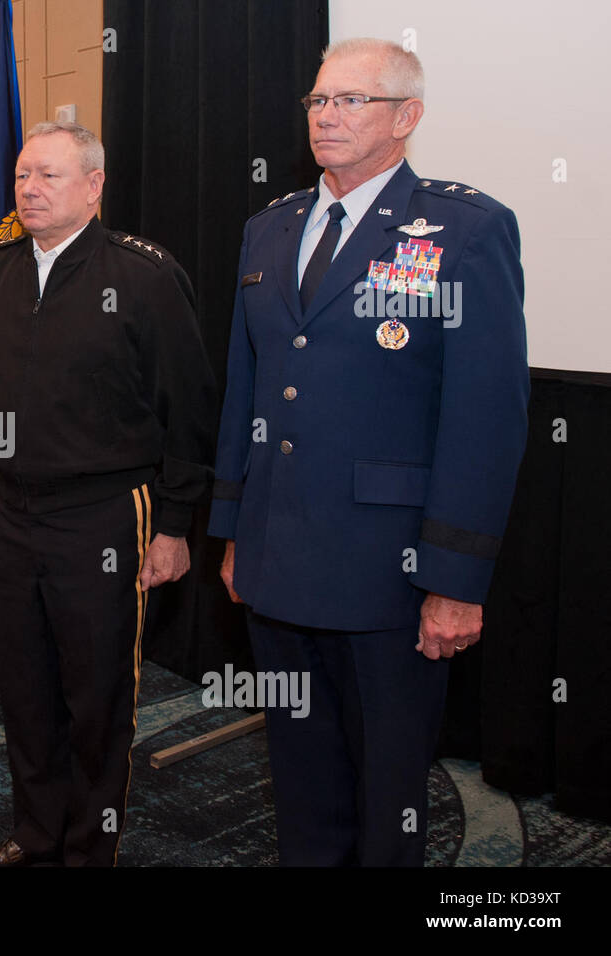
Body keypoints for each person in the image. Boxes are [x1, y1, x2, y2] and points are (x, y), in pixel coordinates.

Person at [208, 38, 529, 866]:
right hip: (280, 555)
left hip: (389, 567)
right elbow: (247, 389)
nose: (327, 116)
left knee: (391, 796)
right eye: (320, 100)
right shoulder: (269, 228)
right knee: (301, 778)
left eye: (352, 100)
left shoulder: (464, 229)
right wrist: (236, 527)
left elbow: (484, 419)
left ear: (407, 117)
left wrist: (454, 581)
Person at [0, 122, 217, 866]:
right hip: (12, 512)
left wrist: (172, 525)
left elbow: (188, 409)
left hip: (105, 516)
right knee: (27, 687)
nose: (30, 190)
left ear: (94, 185)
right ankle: (34, 834)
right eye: (22, 177)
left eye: (49, 176)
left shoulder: (143, 275)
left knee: (97, 695)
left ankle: (87, 851)